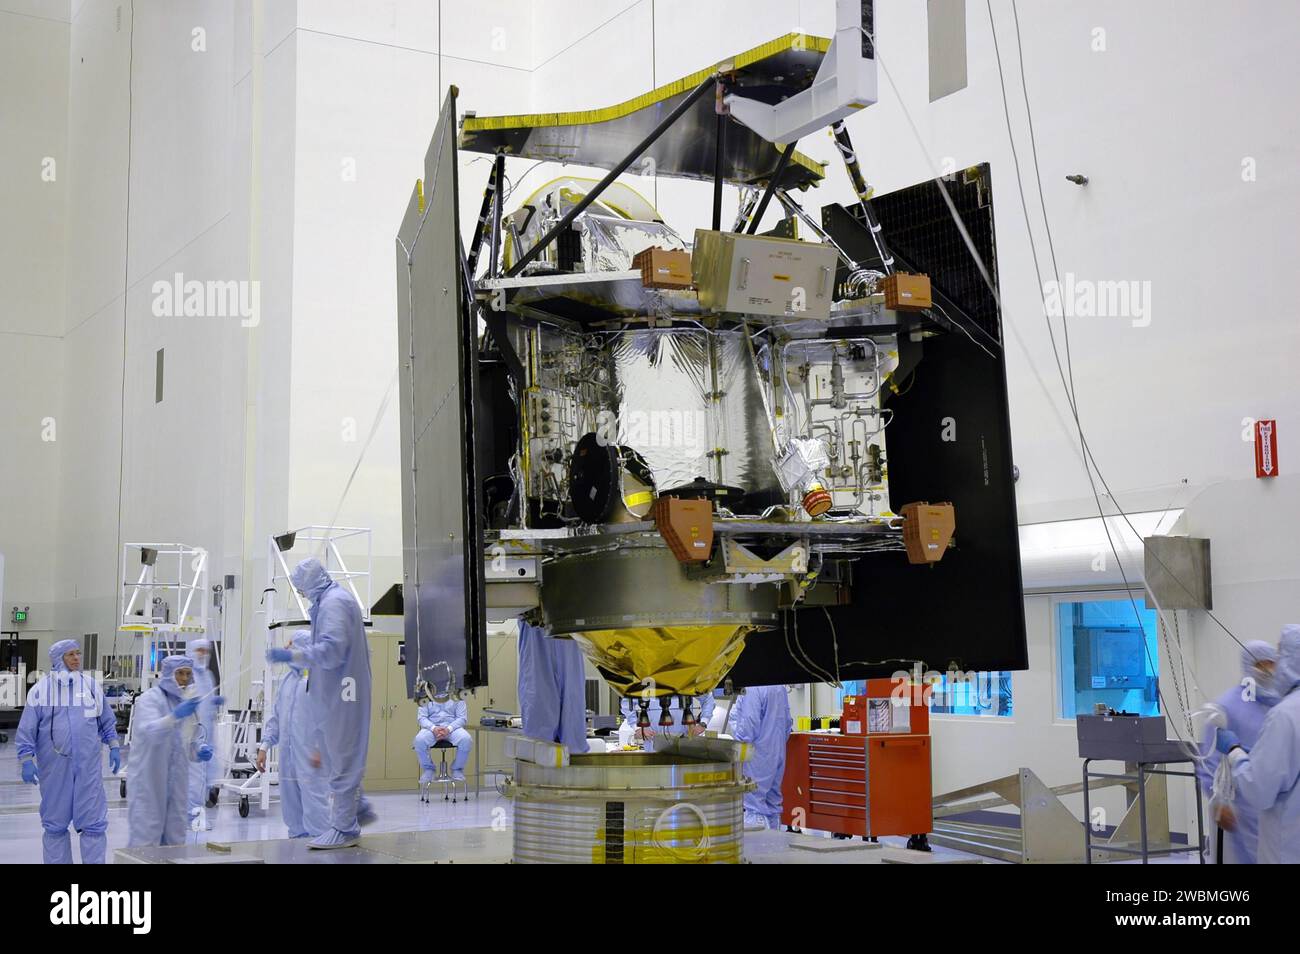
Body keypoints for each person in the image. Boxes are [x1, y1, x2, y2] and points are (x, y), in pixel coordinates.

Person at [267, 557, 375, 849]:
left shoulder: (333, 604)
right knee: (337, 756)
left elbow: (331, 651)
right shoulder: (330, 602)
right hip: (340, 692)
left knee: (341, 758)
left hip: (344, 692)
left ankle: (344, 827)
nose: (301, 595)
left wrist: (294, 656)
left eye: (301, 589)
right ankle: (355, 808)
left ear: (310, 583)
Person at [16, 639, 121, 864]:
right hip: (55, 769)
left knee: (93, 823)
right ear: (58, 659)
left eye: (78, 654)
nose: (76, 659)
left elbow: (106, 722)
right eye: (70, 655)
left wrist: (113, 746)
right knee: (55, 824)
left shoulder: (91, 686)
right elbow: (27, 728)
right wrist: (26, 758)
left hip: (88, 768)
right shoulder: (40, 691)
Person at [1218, 625, 1300, 864]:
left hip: (1287, 847)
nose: (1271, 668)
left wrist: (1236, 753)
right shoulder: (1230, 703)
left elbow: (1258, 790)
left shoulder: (1284, 714)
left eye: (1275, 658)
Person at [1197, 640, 1279, 863]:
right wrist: (1219, 804)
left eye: (1272, 664)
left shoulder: (1280, 704)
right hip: (1238, 806)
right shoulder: (1227, 706)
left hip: (1274, 802)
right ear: (1248, 665)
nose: (1268, 669)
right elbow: (1208, 761)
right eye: (1262, 664)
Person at [127, 655, 218, 847]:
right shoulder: (150, 700)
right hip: (149, 781)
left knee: (175, 838)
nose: (184, 679)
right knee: (146, 837)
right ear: (168, 674)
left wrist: (199, 749)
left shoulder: (187, 705)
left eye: (188, 674)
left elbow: (190, 742)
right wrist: (174, 716)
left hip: (177, 783)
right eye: (180, 673)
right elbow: (149, 733)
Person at [257, 630, 329, 838]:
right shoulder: (287, 681)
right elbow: (277, 718)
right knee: (290, 804)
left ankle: (321, 847)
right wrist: (264, 746)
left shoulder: (319, 679)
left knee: (315, 803)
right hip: (287, 757)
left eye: (291, 645)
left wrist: (320, 749)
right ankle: (296, 846)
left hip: (311, 757)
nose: (287, 649)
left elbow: (329, 720)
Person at [517, 617, 588, 753]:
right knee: (539, 715)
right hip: (536, 631)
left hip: (569, 630)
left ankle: (571, 760)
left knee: (572, 709)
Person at [728, 684, 793, 831]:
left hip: (756, 756)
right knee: (773, 804)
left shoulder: (753, 688)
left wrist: (737, 747)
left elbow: (748, 725)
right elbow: (788, 723)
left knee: (753, 804)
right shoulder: (780, 687)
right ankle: (775, 848)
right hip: (777, 752)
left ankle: (759, 850)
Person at [186, 638, 220, 829]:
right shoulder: (188, 675)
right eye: (198, 650)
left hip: (207, 732)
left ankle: (197, 814)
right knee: (193, 778)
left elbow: (207, 703)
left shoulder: (207, 676)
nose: (202, 654)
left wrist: (215, 703)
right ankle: (193, 819)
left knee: (204, 775)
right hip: (191, 734)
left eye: (205, 651)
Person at [413, 683, 472, 784]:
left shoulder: (457, 693)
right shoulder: (425, 694)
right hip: (431, 728)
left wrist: (448, 729)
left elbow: (462, 718)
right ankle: (429, 769)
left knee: (466, 739)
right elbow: (422, 718)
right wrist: (434, 728)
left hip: (452, 728)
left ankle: (457, 769)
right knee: (419, 740)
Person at [619, 693, 715, 744]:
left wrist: (703, 723)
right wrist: (637, 728)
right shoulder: (647, 682)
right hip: (653, 742)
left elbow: (708, 698)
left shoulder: (687, 679)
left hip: (684, 742)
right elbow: (627, 702)